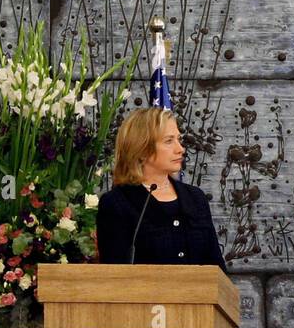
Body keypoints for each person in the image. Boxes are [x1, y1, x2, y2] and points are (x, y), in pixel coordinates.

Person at [96, 107, 228, 271]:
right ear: (141, 149)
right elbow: (115, 274)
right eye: (168, 141)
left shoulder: (195, 198)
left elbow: (217, 270)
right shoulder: (117, 203)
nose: (180, 148)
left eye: (178, 139)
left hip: (198, 296)